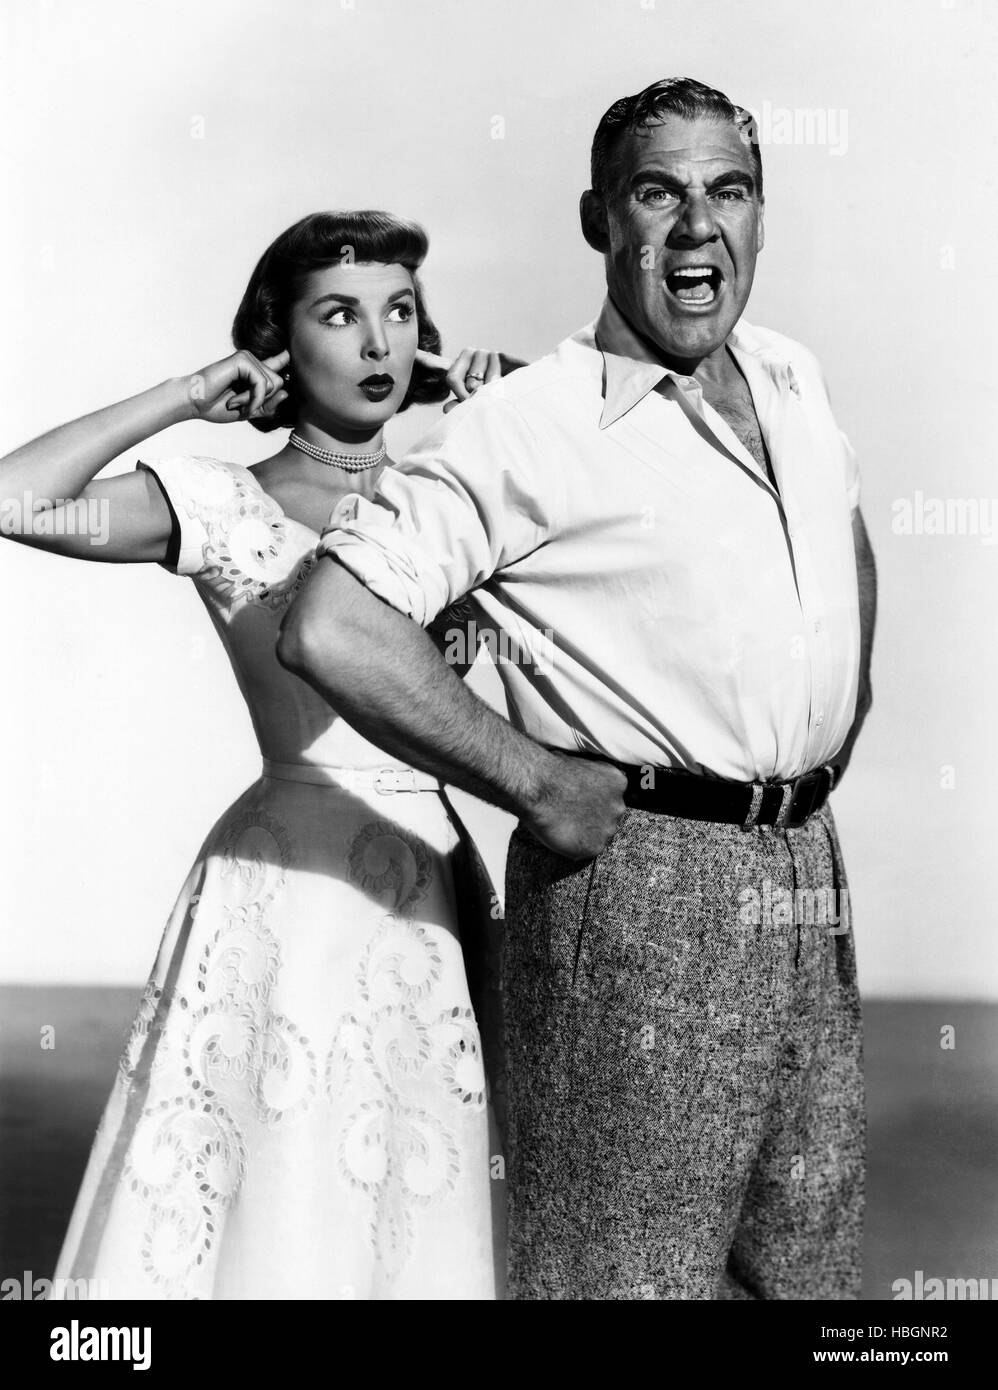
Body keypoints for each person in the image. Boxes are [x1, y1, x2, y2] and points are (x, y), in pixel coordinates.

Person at [277, 79, 877, 1301]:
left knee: (805, 1285)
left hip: (806, 872)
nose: (697, 227)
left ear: (762, 215)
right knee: (624, 1285)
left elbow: (843, 539)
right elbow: (332, 623)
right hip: (637, 890)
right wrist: (530, 776)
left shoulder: (791, 376)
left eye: (729, 192)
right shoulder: (524, 426)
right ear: (600, 220)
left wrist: (831, 717)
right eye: (658, 193)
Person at [0, 210, 517, 1300]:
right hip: (282, 895)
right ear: (278, 340)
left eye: (399, 312)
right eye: (340, 314)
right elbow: (13, 496)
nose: (379, 344)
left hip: (432, 890)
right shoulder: (224, 501)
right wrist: (192, 392)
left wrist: (521, 412)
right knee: (276, 1195)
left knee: (409, 1200)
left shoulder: (456, 497)